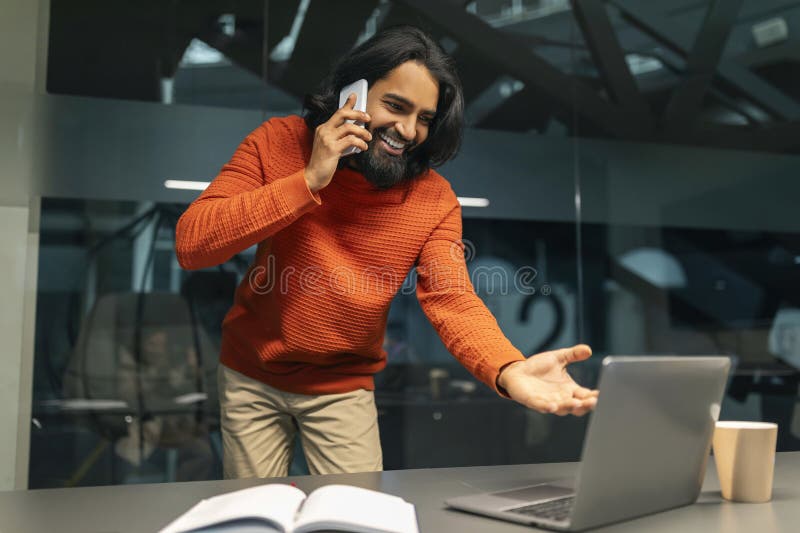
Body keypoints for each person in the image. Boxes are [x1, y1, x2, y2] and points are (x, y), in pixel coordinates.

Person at [175, 25, 598, 479]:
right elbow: (193, 245)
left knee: (357, 516)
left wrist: (508, 368)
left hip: (342, 385)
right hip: (251, 374)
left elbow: (452, 299)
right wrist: (310, 180)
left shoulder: (433, 200)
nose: (408, 130)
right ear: (350, 94)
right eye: (395, 106)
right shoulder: (277, 142)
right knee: (252, 514)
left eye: (424, 118)